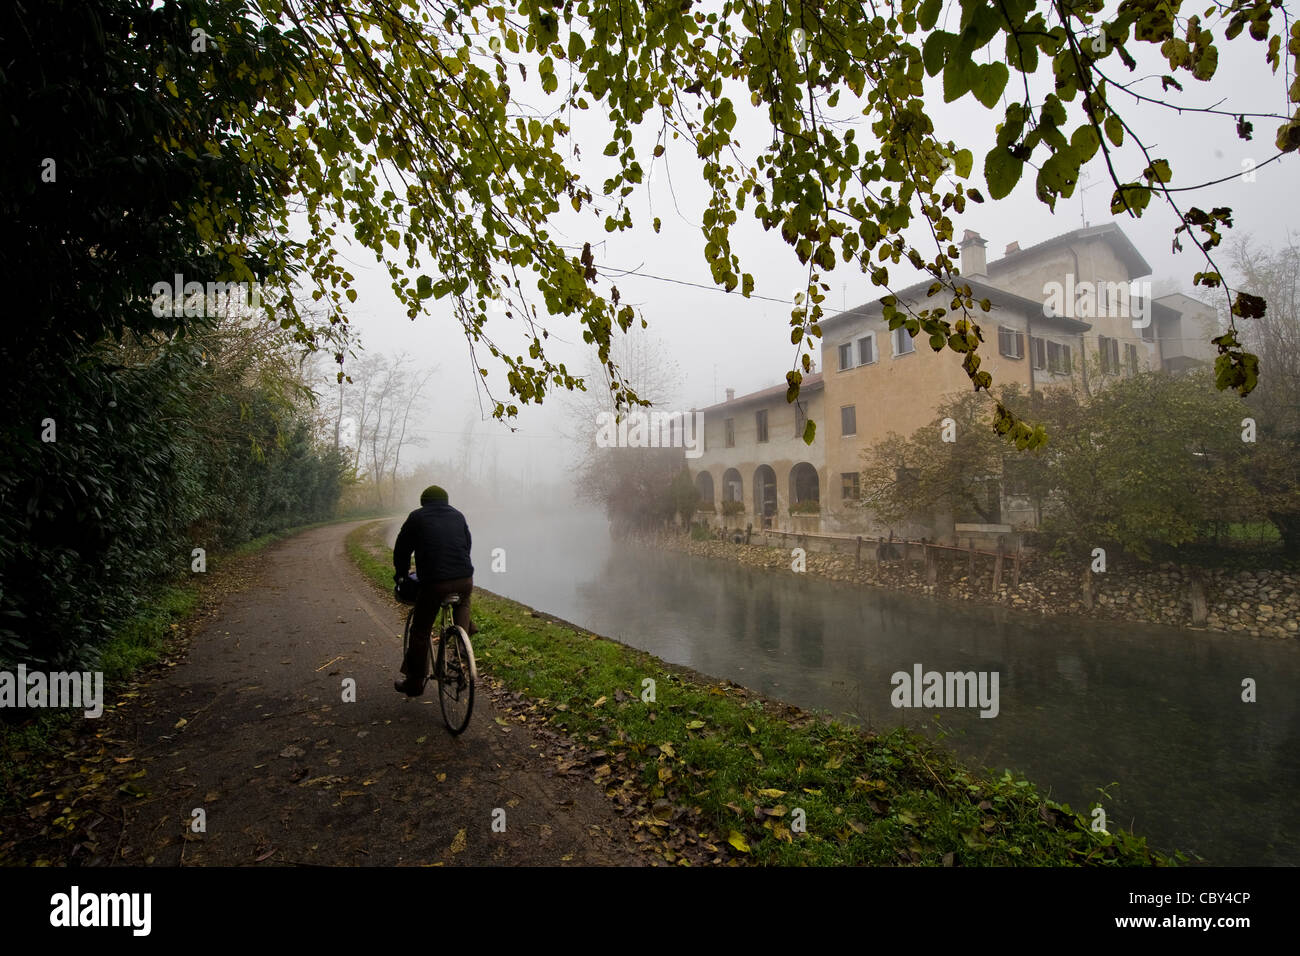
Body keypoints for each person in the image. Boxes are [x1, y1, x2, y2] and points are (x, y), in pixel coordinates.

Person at [392, 484, 477, 696]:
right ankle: (461, 643)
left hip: (434, 582)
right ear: (446, 501)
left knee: (420, 631)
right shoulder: (458, 515)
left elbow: (402, 550)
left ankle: (415, 682)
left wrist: (401, 574)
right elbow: (467, 545)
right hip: (465, 578)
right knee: (463, 602)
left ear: (424, 502)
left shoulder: (417, 517)